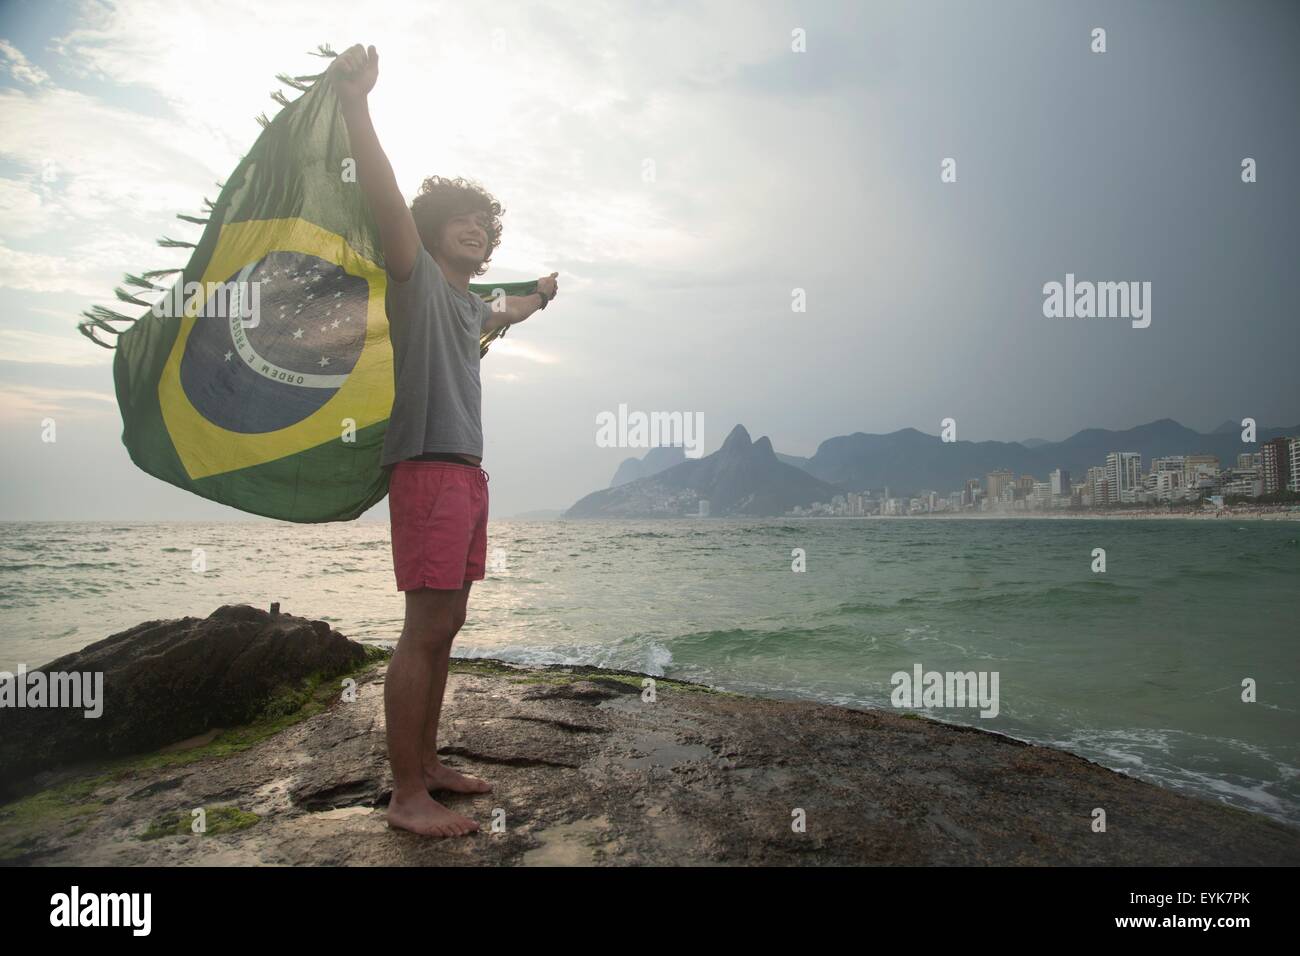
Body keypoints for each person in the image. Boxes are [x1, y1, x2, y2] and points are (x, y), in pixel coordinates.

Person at [331, 43, 559, 837]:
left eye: (484, 224)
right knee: (423, 630)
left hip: (466, 474)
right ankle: (404, 796)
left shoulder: (469, 308)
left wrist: (538, 293)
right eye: (461, 219)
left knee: (449, 627)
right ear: (432, 233)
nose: (476, 228)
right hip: (427, 469)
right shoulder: (417, 276)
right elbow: (390, 202)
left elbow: (511, 311)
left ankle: (427, 766)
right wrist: (360, 104)